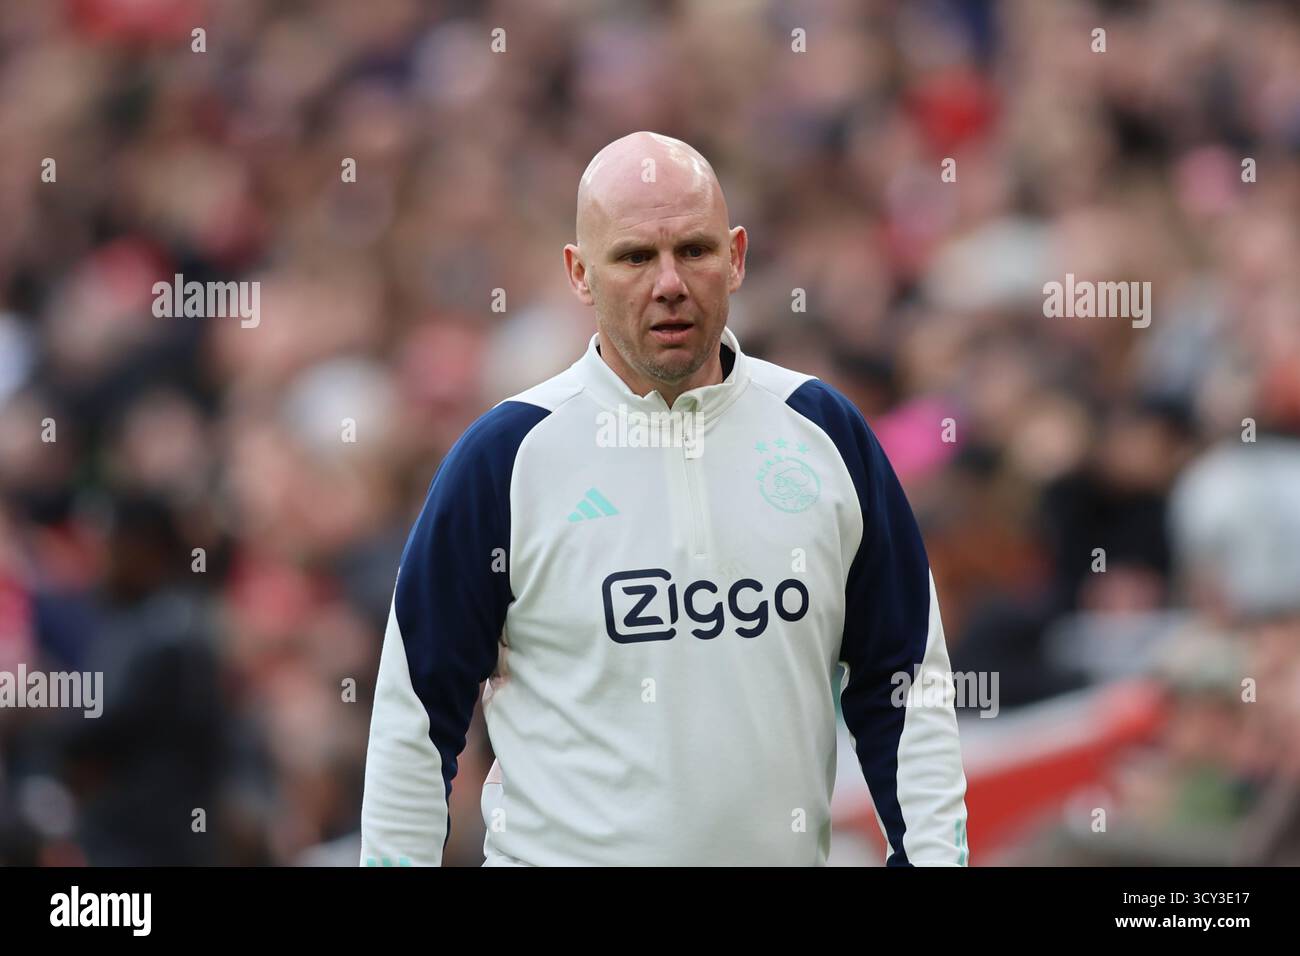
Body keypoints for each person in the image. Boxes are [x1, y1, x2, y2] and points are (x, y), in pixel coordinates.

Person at [360, 131, 969, 866]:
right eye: (635, 257)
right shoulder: (507, 458)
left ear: (738, 255)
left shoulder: (824, 431)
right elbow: (414, 717)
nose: (670, 281)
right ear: (580, 274)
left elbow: (906, 683)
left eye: (696, 250)